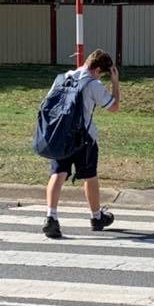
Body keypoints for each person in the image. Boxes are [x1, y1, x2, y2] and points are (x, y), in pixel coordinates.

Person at [42, 48, 120, 239]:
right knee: (89, 175)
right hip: (83, 138)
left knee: (58, 173)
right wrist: (116, 83)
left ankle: (51, 217)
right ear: (98, 70)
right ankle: (96, 217)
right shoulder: (93, 84)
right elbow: (114, 107)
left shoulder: (63, 77)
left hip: (60, 135)